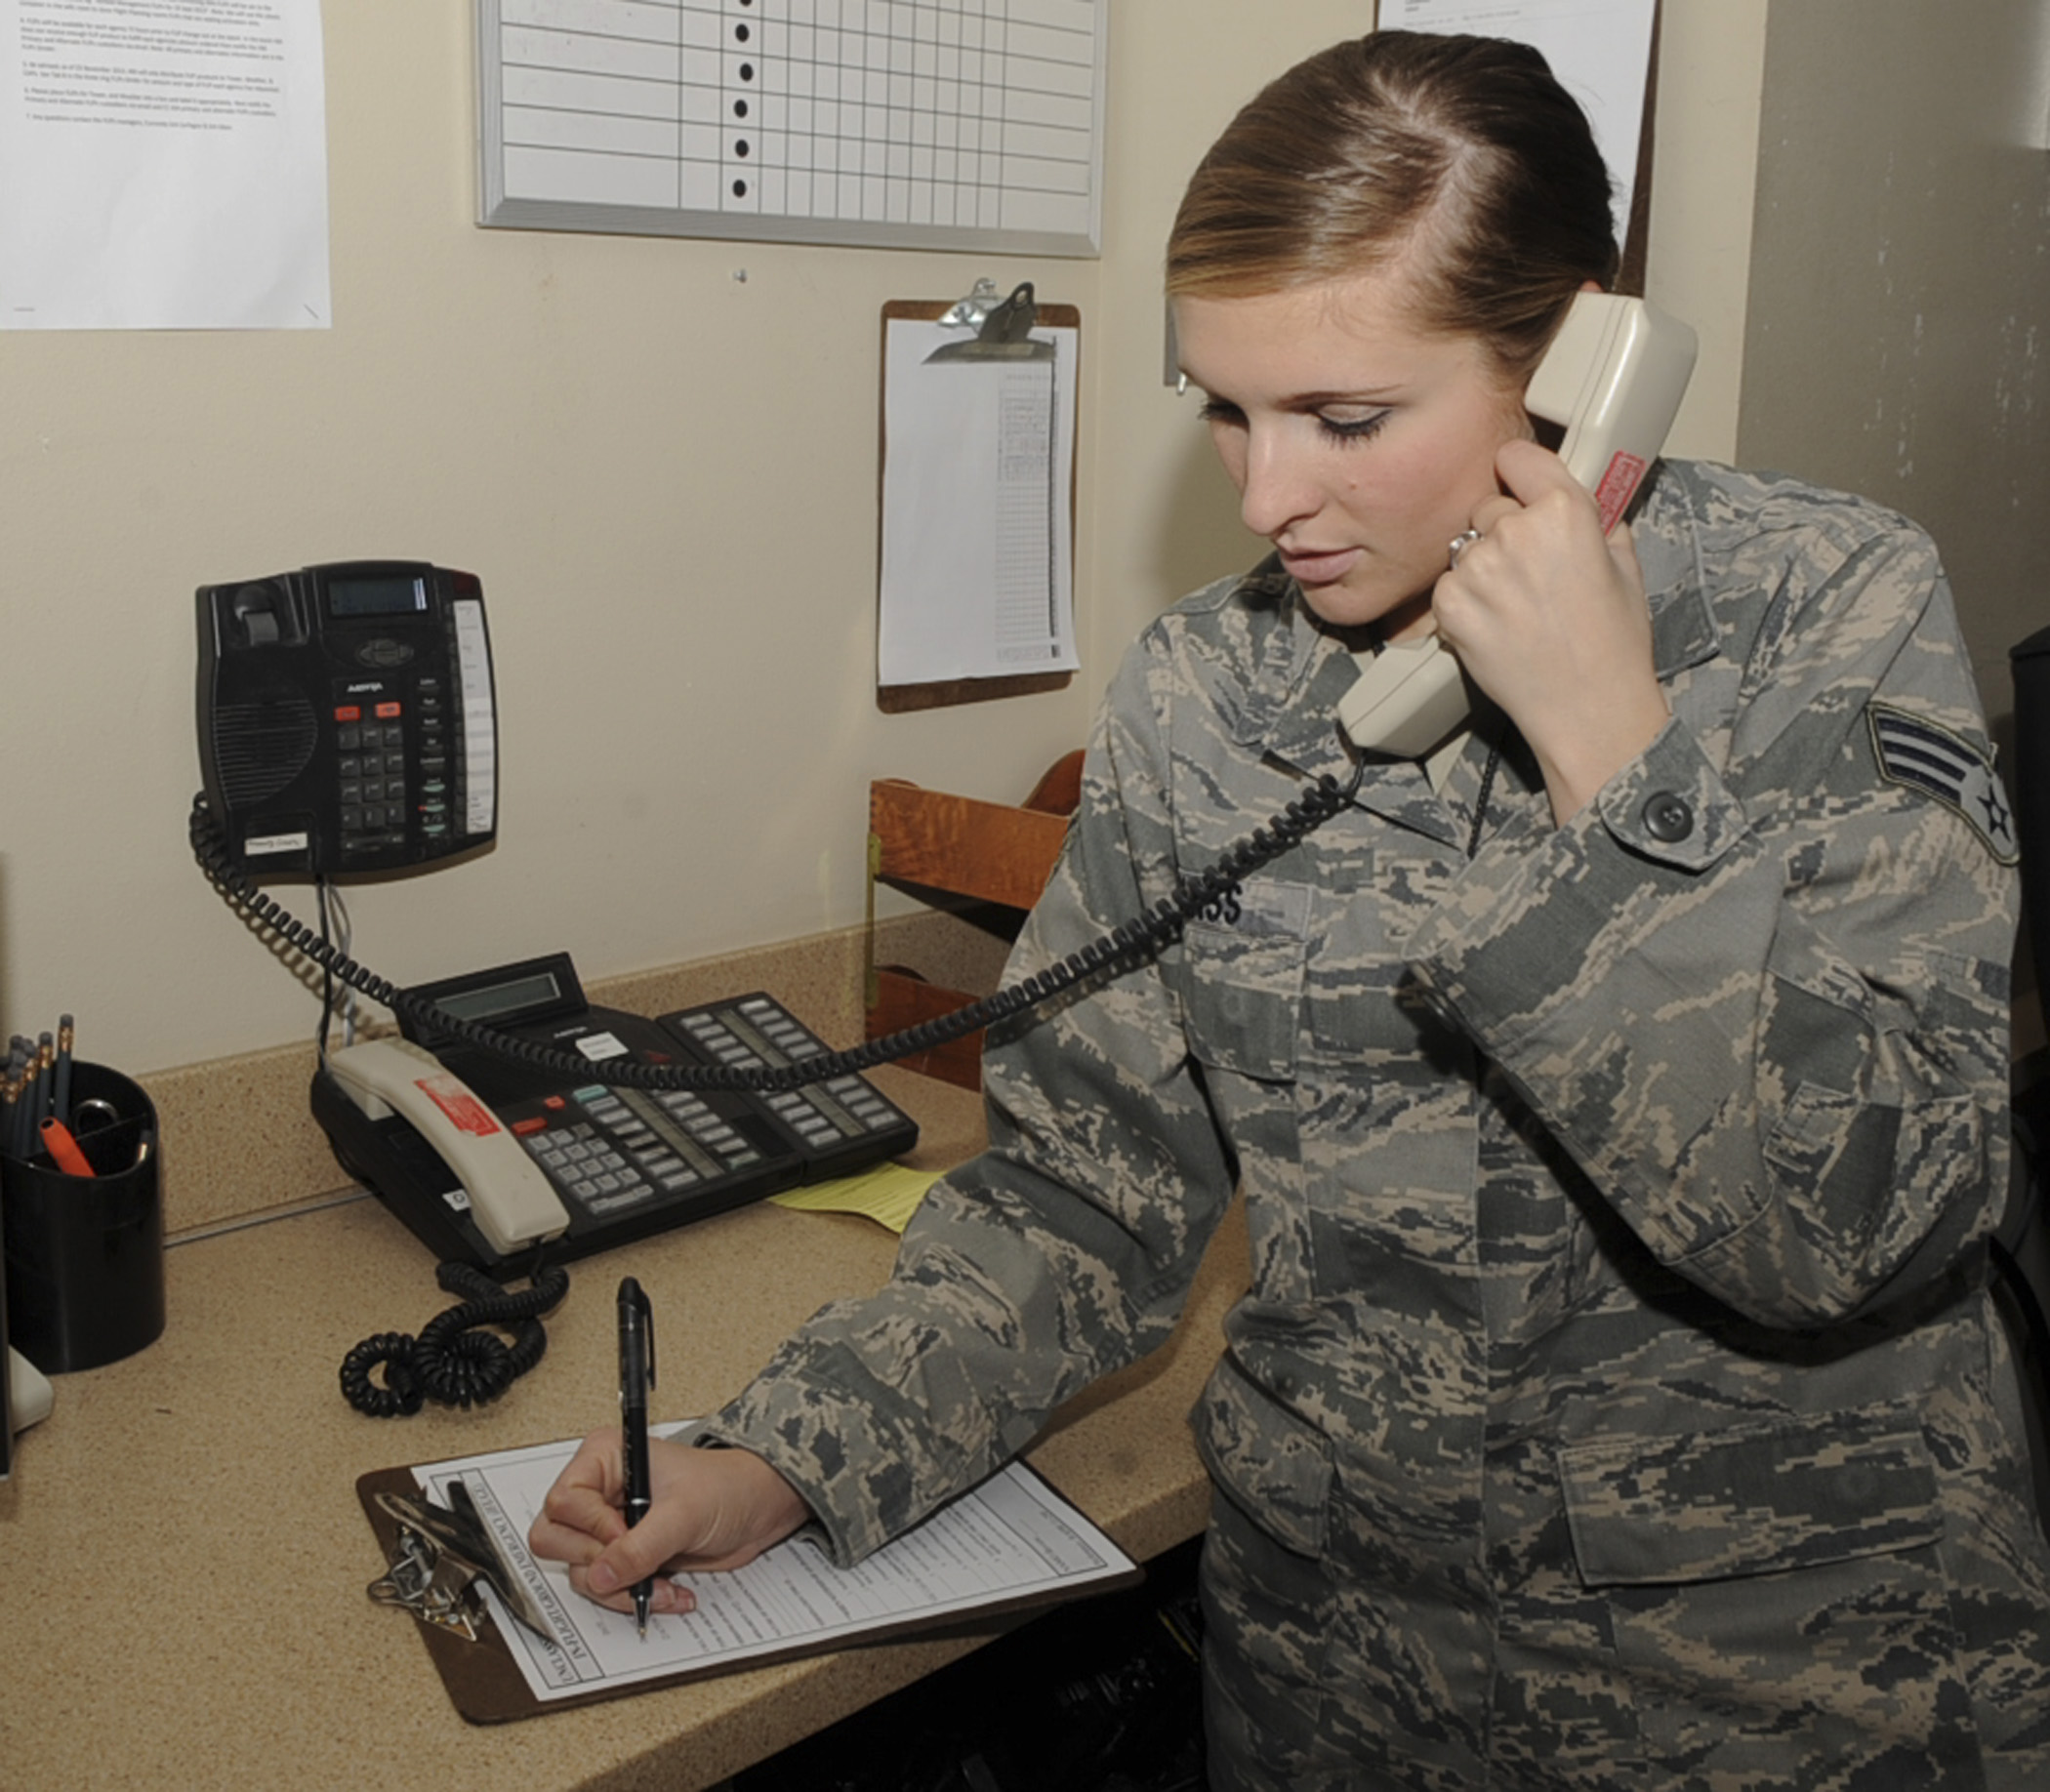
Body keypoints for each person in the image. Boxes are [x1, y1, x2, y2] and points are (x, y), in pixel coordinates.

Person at [532, 31, 2050, 1788]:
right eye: (1226, 411)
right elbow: (1074, 1196)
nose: (1265, 499)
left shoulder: (1832, 617)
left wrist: (1611, 755)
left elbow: (1868, 1223)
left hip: (1781, 1704)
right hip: (1342, 1688)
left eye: (1343, 419)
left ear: (1576, 370)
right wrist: (787, 1457)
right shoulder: (1205, 691)